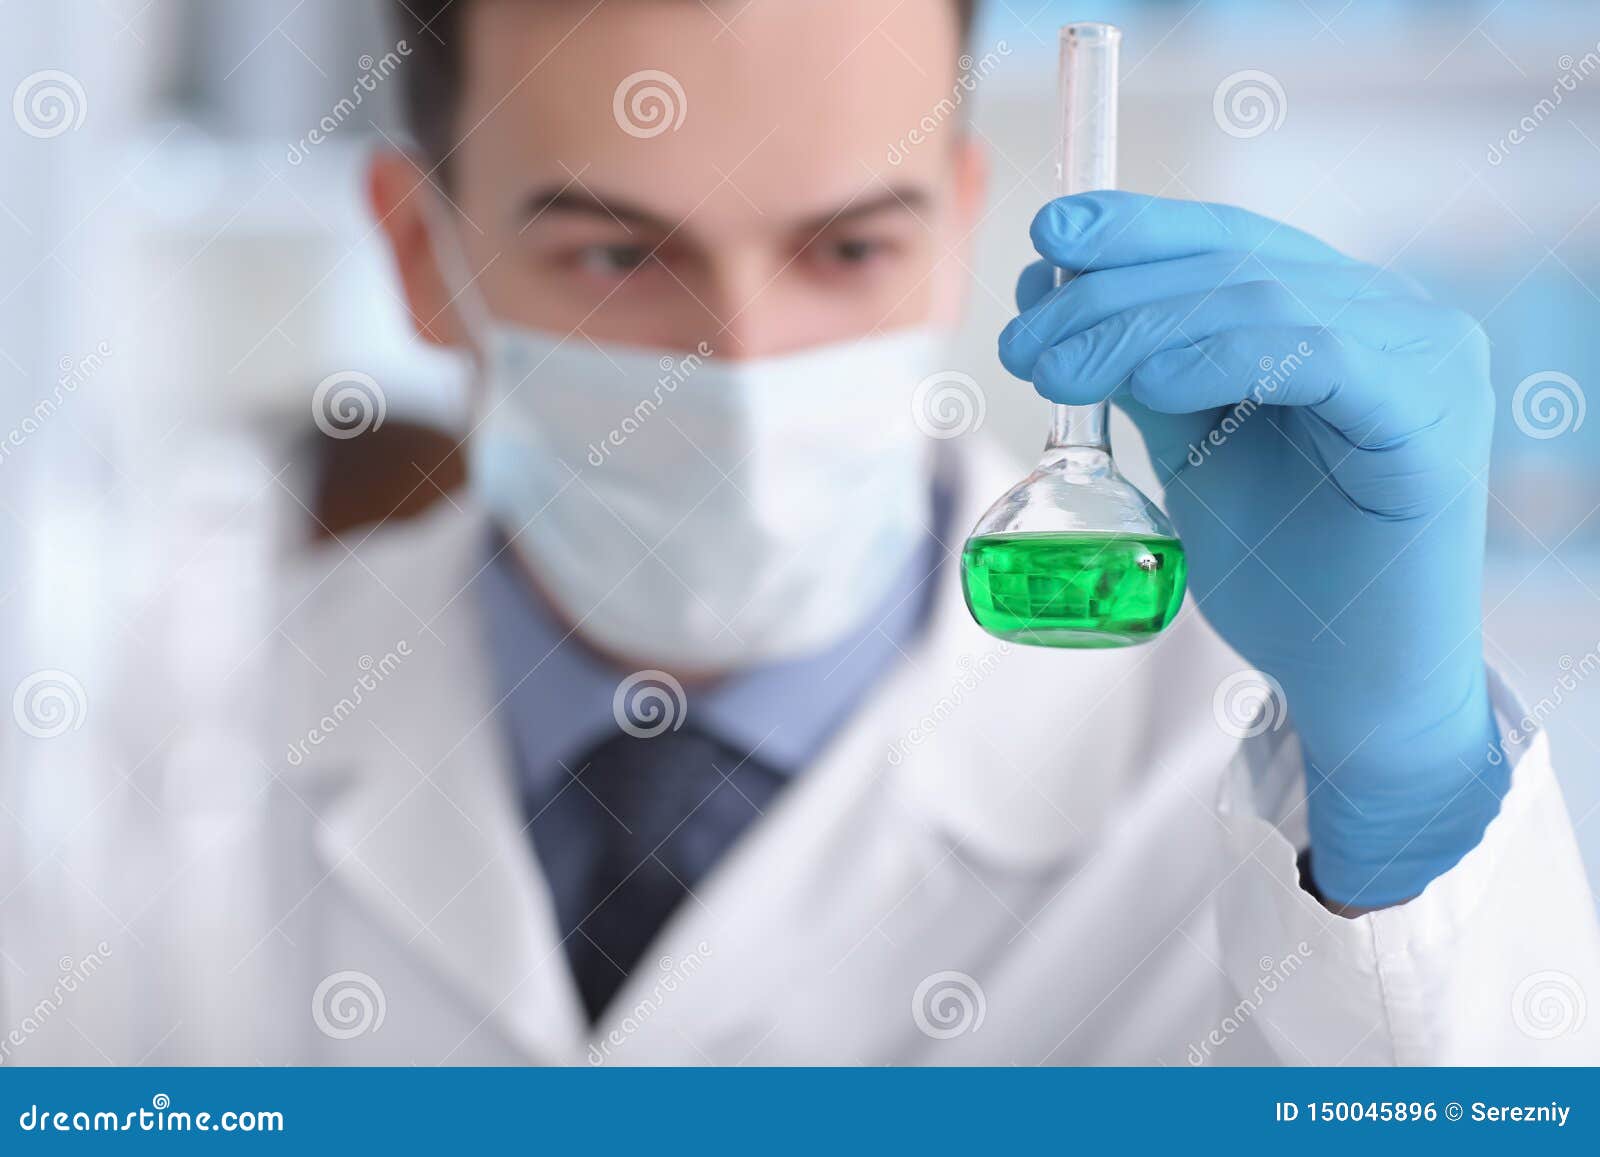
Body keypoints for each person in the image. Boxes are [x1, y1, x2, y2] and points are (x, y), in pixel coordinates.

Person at [10, 0, 1599, 1065]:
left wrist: (1404, 798)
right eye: (619, 253)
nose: (746, 364)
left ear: (966, 225)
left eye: (846, 246)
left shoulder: (1245, 765)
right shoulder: (155, 747)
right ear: (424, 257)